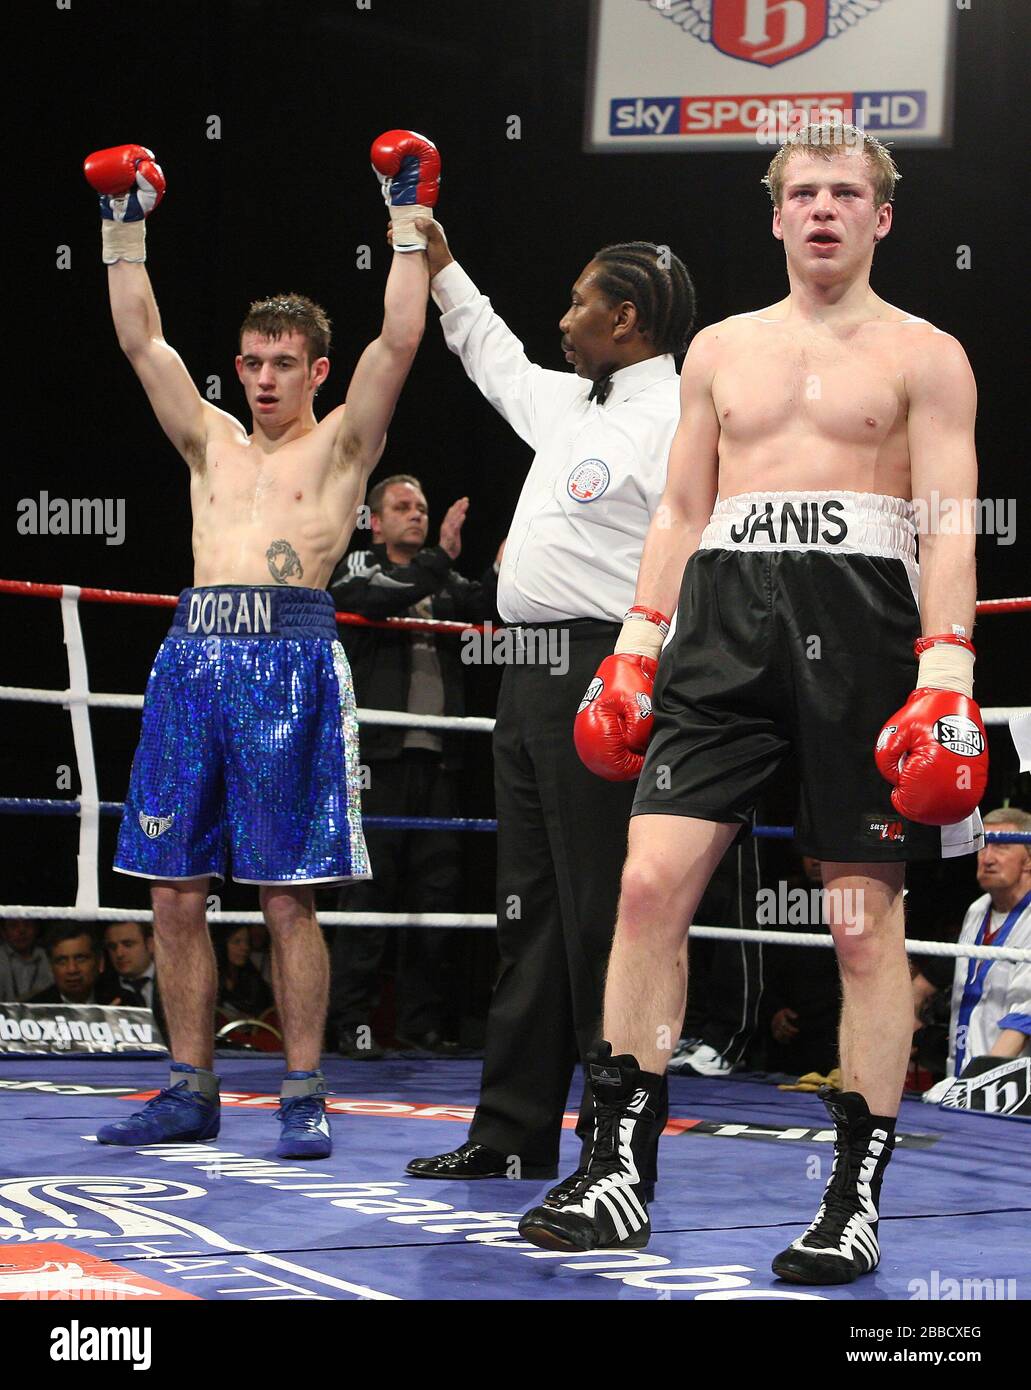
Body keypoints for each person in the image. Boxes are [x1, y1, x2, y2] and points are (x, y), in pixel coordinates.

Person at [519, 121, 989, 1285]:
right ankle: (618, 1168)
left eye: (845, 192)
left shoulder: (928, 354)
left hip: (864, 625)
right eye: (802, 191)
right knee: (641, 885)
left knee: (859, 925)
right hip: (723, 620)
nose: (822, 208)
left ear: (881, 216)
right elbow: (678, 510)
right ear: (774, 213)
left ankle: (850, 1199)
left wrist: (946, 677)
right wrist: (634, 644)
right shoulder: (719, 350)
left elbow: (945, 522)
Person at [83, 129, 437, 1158]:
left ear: (315, 368)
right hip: (193, 655)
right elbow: (141, 341)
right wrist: (123, 225)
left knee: (286, 894)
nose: (264, 378)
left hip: (288, 656)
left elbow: (400, 340)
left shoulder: (342, 443)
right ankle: (188, 1087)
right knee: (172, 886)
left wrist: (406, 210)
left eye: (284, 363)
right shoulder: (206, 436)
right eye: (251, 362)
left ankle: (300, 1091)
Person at [405, 221, 698, 1183]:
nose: (562, 316)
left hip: (610, 670)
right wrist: (440, 258)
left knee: (599, 914)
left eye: (579, 301)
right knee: (526, 908)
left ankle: (612, 1148)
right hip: (527, 675)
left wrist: (646, 666)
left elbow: (697, 552)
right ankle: (509, 1131)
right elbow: (488, 353)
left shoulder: (681, 419)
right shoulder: (573, 402)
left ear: (625, 318)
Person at [328, 474, 501, 1057]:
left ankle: (422, 1025)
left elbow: (484, 606)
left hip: (441, 763)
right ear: (374, 521)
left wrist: (504, 569)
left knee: (437, 898)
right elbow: (372, 599)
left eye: (423, 507)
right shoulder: (357, 565)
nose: (416, 514)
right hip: (376, 762)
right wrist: (437, 560)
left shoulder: (440, 577)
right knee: (367, 898)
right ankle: (351, 1023)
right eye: (402, 507)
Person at [920, 808, 1031, 1102]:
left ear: (1029, 860)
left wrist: (975, 1087)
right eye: (983, 845)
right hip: (959, 1082)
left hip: (1007, 1093)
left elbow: (1024, 1020)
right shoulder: (977, 909)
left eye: (1002, 846)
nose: (988, 857)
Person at [102, 920, 166, 1039]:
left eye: (128, 944)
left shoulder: (175, 981)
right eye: (112, 947)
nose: (119, 953)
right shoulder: (101, 989)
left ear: (151, 944)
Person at [30, 926, 122, 1006]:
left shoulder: (122, 1003)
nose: (72, 969)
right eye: (62, 961)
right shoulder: (32, 1011)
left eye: (80, 959)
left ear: (100, 962)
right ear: (51, 967)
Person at [213, 925, 275, 1021]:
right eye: (237, 942)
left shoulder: (254, 979)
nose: (245, 947)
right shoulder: (210, 980)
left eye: (247, 942)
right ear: (222, 944)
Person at [0, 919, 53, 1002]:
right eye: (13, 926)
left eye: (28, 925)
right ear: (3, 932)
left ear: (36, 928)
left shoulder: (49, 957)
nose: (22, 931)